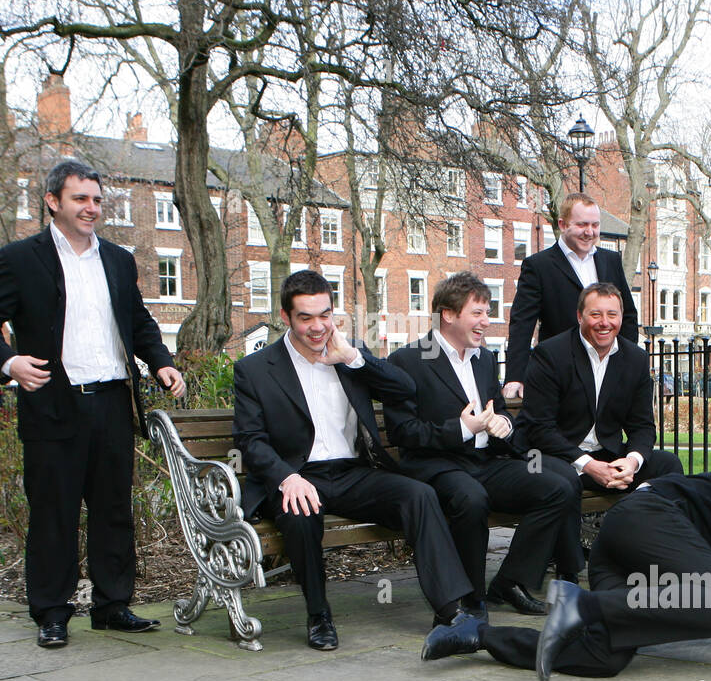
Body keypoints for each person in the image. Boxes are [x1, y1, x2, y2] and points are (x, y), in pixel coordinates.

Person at [0, 159, 185, 649]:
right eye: (80, 199)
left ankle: (112, 606)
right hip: (52, 405)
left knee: (113, 511)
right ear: (53, 202)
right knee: (54, 514)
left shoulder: (119, 260)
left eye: (97, 199)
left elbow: (139, 321)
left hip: (111, 402)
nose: (91, 208)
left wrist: (161, 362)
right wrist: (9, 363)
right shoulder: (22, 258)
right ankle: (51, 612)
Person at [421, 465, 711, 681]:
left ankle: (476, 634)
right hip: (647, 518)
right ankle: (581, 603)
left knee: (604, 658)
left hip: (628, 550)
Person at [232, 270, 477, 651]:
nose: (318, 327)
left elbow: (404, 388)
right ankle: (319, 615)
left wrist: (353, 358)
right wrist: (286, 478)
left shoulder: (349, 353)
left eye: (325, 315)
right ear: (285, 317)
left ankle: (452, 612)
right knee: (300, 514)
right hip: (299, 476)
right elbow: (250, 440)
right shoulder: (256, 369)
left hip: (351, 473)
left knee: (419, 495)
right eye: (305, 317)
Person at [384, 273, 581, 619]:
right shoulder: (408, 361)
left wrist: (502, 424)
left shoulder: (485, 359)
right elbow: (404, 433)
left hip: (486, 461)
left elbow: (499, 411)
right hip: (437, 465)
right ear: (448, 314)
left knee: (559, 487)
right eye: (477, 313)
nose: (486, 322)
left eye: (486, 312)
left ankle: (510, 582)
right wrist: (462, 427)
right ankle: (470, 600)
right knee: (471, 499)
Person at [521, 281, 683, 514]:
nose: (604, 323)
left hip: (607, 457)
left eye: (612, 315)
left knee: (668, 464)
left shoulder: (635, 358)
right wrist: (589, 466)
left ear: (621, 318)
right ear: (579, 316)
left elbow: (642, 426)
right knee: (564, 481)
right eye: (595, 314)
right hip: (549, 457)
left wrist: (631, 462)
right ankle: (572, 552)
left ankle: (648, 538)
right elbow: (539, 429)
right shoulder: (551, 354)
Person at [502, 192, 638, 399]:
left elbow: (627, 314)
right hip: (560, 373)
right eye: (582, 225)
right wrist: (516, 376)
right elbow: (522, 323)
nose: (590, 232)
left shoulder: (611, 260)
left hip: (606, 370)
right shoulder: (539, 266)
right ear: (563, 225)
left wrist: (627, 363)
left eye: (595, 225)